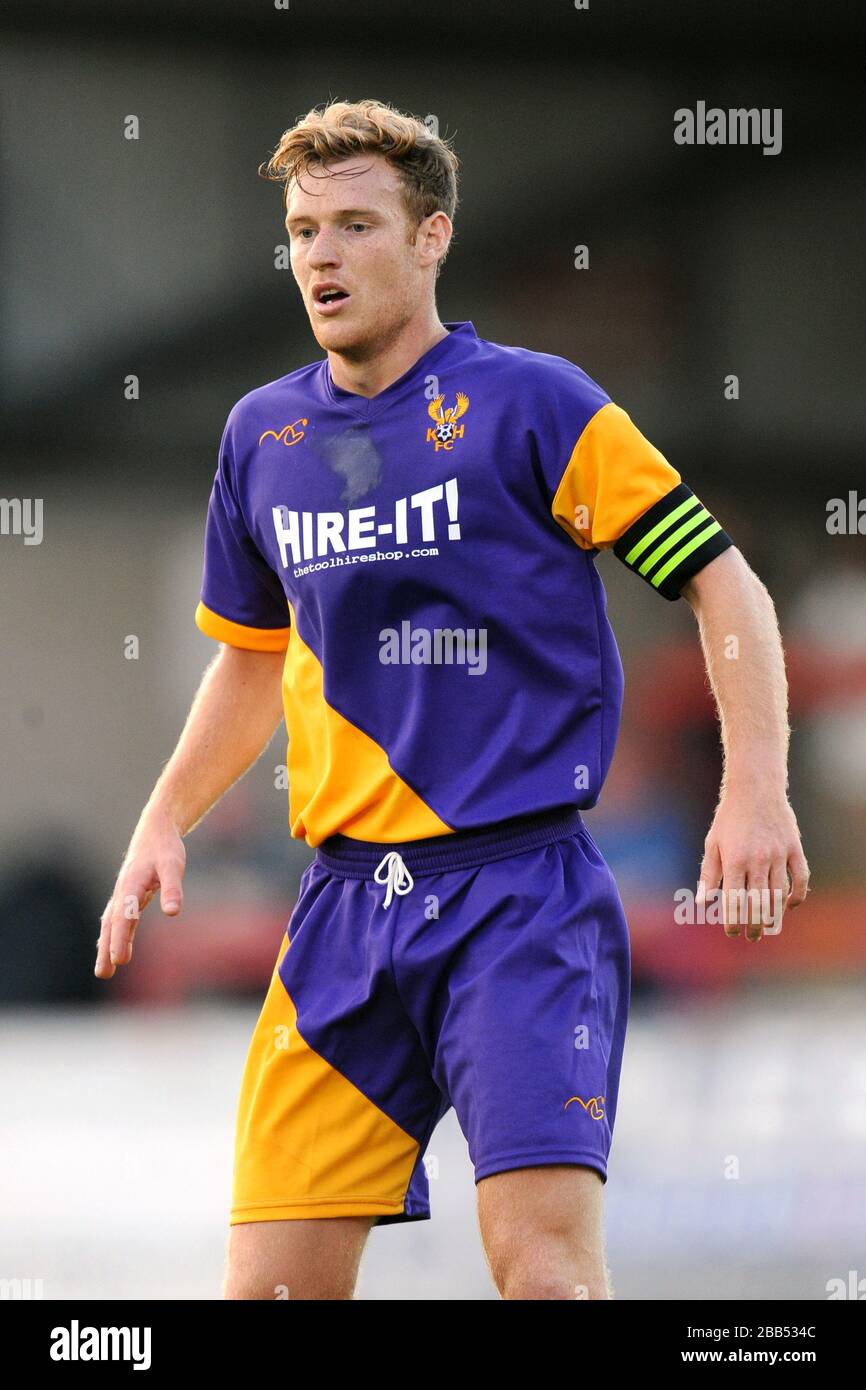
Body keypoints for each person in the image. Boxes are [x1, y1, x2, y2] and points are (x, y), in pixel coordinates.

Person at [95, 99, 810, 1301]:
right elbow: (254, 658)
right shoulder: (259, 435)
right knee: (266, 1292)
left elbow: (724, 584)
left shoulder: (535, 404)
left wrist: (753, 790)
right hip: (340, 913)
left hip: (518, 900)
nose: (319, 256)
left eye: (354, 226)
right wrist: (163, 813)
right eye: (302, 230)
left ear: (430, 237)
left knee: (542, 1273)